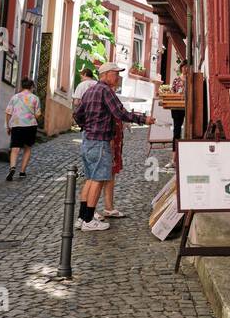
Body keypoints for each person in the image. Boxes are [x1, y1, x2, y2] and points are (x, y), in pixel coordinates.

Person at [75, 62, 154, 232]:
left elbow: (77, 114)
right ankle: (89, 220)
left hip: (88, 140)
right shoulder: (105, 91)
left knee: (89, 179)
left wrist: (86, 127)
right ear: (105, 75)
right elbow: (120, 113)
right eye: (115, 74)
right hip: (101, 141)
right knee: (98, 179)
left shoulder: (90, 90)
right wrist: (143, 119)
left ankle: (81, 218)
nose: (118, 77)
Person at [4, 78, 42, 181]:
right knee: (27, 148)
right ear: (31, 87)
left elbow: (8, 112)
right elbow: (38, 114)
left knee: (15, 148)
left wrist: (8, 126)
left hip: (16, 125)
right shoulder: (35, 98)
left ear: (22, 86)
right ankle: (22, 172)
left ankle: (12, 167)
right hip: (30, 125)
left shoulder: (15, 97)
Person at [170, 60, 188, 148]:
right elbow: (172, 92)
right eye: (184, 67)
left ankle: (185, 151)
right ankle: (174, 154)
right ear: (181, 68)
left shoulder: (191, 79)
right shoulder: (176, 80)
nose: (186, 69)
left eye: (188, 67)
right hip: (177, 107)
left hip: (188, 107)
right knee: (177, 131)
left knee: (189, 131)